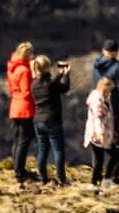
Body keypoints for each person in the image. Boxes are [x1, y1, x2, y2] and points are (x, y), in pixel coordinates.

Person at [93, 42, 119, 185]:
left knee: (97, 142)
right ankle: (113, 176)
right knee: (117, 141)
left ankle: (97, 175)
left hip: (98, 106)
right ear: (116, 52)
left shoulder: (96, 65)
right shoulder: (116, 67)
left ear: (103, 50)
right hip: (114, 110)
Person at [33, 54, 71, 185]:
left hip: (38, 120)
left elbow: (50, 84)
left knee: (42, 150)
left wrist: (59, 75)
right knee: (58, 151)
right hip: (52, 121)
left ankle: (43, 178)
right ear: (48, 67)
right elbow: (65, 88)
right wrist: (66, 75)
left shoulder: (34, 84)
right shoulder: (51, 84)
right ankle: (61, 179)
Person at [83, 65, 119, 189]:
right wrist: (101, 133)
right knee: (104, 158)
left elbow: (108, 117)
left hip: (105, 134)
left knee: (105, 158)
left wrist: (112, 132)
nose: (109, 93)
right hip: (98, 135)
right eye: (108, 90)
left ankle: (102, 180)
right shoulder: (97, 101)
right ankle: (96, 182)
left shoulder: (104, 99)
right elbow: (97, 118)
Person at [5, 42, 37, 183]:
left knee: (18, 139)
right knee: (24, 140)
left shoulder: (12, 68)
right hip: (25, 109)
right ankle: (20, 172)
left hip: (15, 107)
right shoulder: (24, 70)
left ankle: (18, 168)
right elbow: (26, 92)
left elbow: (12, 89)